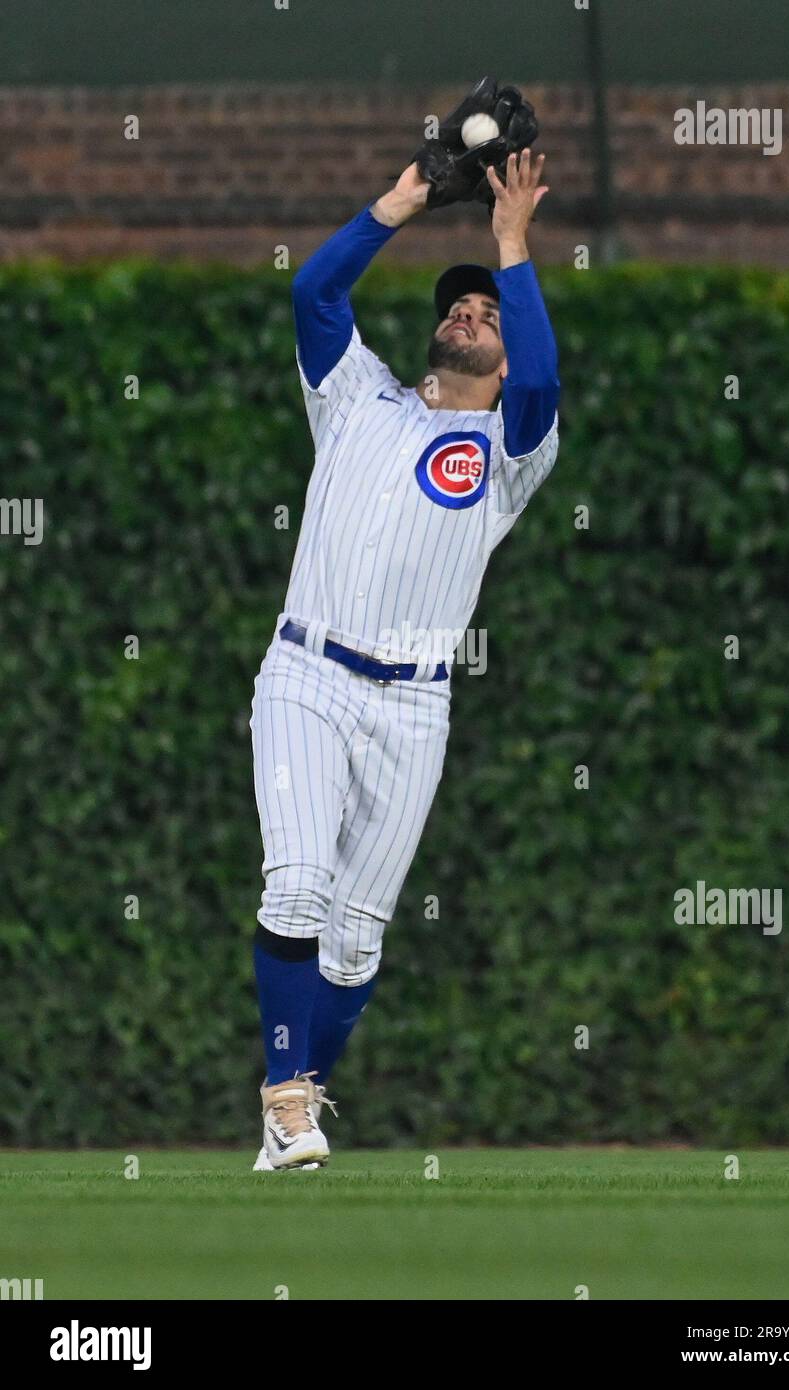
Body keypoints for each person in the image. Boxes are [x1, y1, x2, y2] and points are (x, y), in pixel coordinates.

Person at [250, 148, 560, 1170]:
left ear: (507, 355)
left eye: (485, 309)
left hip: (412, 708)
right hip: (306, 671)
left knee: (354, 941)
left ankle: (304, 1091)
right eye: (456, 304)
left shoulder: (510, 456)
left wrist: (508, 241)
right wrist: (405, 199)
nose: (466, 312)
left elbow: (546, 376)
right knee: (294, 888)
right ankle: (286, 1100)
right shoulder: (355, 396)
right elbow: (314, 288)